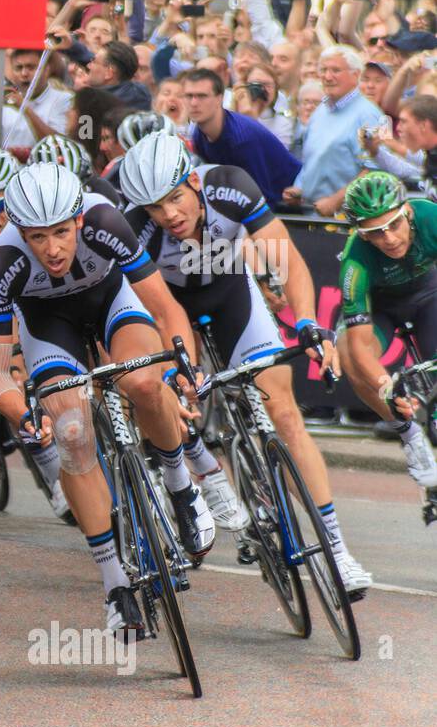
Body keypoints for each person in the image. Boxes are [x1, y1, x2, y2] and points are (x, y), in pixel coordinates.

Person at [118, 134, 373, 596]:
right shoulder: (135, 229)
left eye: (175, 198)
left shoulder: (231, 187)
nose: (169, 215)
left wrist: (310, 324)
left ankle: (337, 549)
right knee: (177, 396)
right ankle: (199, 467)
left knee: (283, 413)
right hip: (170, 308)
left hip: (230, 291)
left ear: (193, 181)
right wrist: (180, 369)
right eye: (155, 208)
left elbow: (289, 264)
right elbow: (155, 312)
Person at [0, 162, 215, 632]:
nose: (53, 248)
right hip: (47, 325)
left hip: (112, 303)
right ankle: (114, 582)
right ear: (19, 230)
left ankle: (181, 487)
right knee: (71, 433)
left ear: (79, 220)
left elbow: (164, 308)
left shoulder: (106, 221)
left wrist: (183, 369)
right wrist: (21, 412)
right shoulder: (1, 264)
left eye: (62, 232)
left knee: (144, 383)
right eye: (38, 237)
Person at [338, 172, 437, 492]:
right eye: (376, 233)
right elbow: (359, 347)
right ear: (363, 235)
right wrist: (386, 386)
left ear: (407, 212)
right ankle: (409, 434)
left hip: (428, 294)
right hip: (379, 308)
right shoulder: (356, 261)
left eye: (393, 225)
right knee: (348, 356)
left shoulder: (428, 217)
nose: (389, 238)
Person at [285, 46, 385, 217]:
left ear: (355, 74)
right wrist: (299, 188)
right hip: (312, 215)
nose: (327, 76)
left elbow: (376, 170)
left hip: (351, 218)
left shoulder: (369, 114)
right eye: (323, 70)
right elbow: (312, 160)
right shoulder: (320, 111)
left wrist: (336, 200)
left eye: (336, 70)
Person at [183, 67, 302, 207]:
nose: (194, 103)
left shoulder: (242, 139)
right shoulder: (199, 135)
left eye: (202, 96)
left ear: (219, 98)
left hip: (291, 202)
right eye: (189, 96)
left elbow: (261, 200)